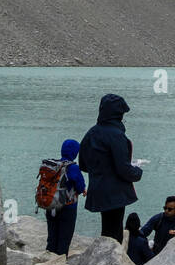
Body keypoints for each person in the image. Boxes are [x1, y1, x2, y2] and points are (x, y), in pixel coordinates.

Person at [78, 93, 145, 243]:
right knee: (115, 232)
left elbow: (83, 164)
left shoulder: (91, 133)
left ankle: (103, 257)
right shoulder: (116, 136)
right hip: (115, 193)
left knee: (107, 228)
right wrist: (137, 171)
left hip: (98, 189)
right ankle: (113, 262)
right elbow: (123, 169)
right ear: (118, 114)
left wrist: (100, 170)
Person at [44, 139, 86, 256]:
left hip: (51, 204)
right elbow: (80, 187)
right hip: (67, 207)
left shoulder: (52, 165)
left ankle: (48, 262)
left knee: (52, 236)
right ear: (74, 153)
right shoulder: (73, 168)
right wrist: (83, 190)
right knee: (64, 239)